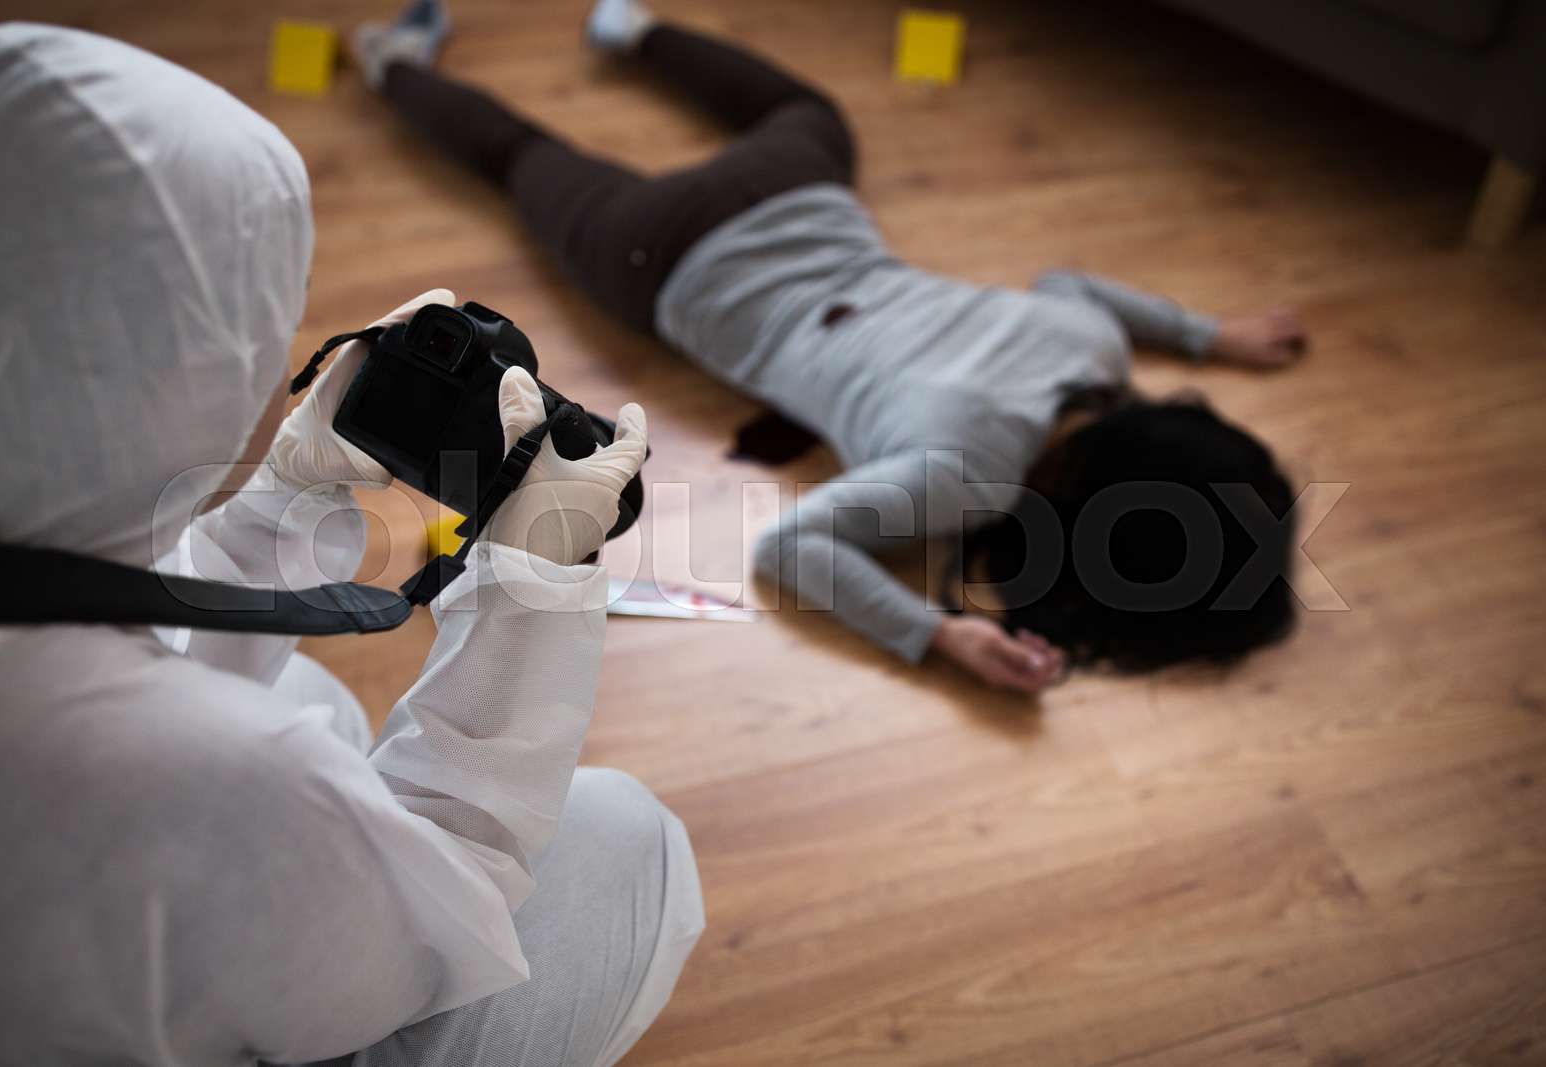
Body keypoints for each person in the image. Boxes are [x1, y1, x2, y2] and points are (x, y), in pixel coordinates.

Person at [0, 23, 701, 1067]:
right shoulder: (209, 775)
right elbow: (446, 898)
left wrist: (280, 505)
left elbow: (85, 632)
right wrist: (530, 585)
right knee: (623, 841)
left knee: (312, 705)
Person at [353, 0, 1308, 693]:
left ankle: (633, 29)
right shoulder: (960, 481)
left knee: (806, 113)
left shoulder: (1092, 345)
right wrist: (933, 633)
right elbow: (791, 551)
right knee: (518, 158)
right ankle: (389, 60)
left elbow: (1072, 282)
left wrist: (1204, 332)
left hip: (797, 192)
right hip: (663, 262)